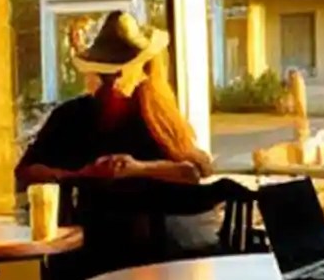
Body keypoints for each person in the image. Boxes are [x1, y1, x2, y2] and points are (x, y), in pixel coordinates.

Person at [16, 11, 212, 189]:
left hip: (152, 225)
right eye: (105, 70)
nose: (112, 79)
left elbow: (194, 171)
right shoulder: (71, 116)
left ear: (142, 69)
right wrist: (80, 175)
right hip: (81, 223)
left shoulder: (156, 118)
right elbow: (26, 171)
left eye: (119, 69)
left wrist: (137, 169)